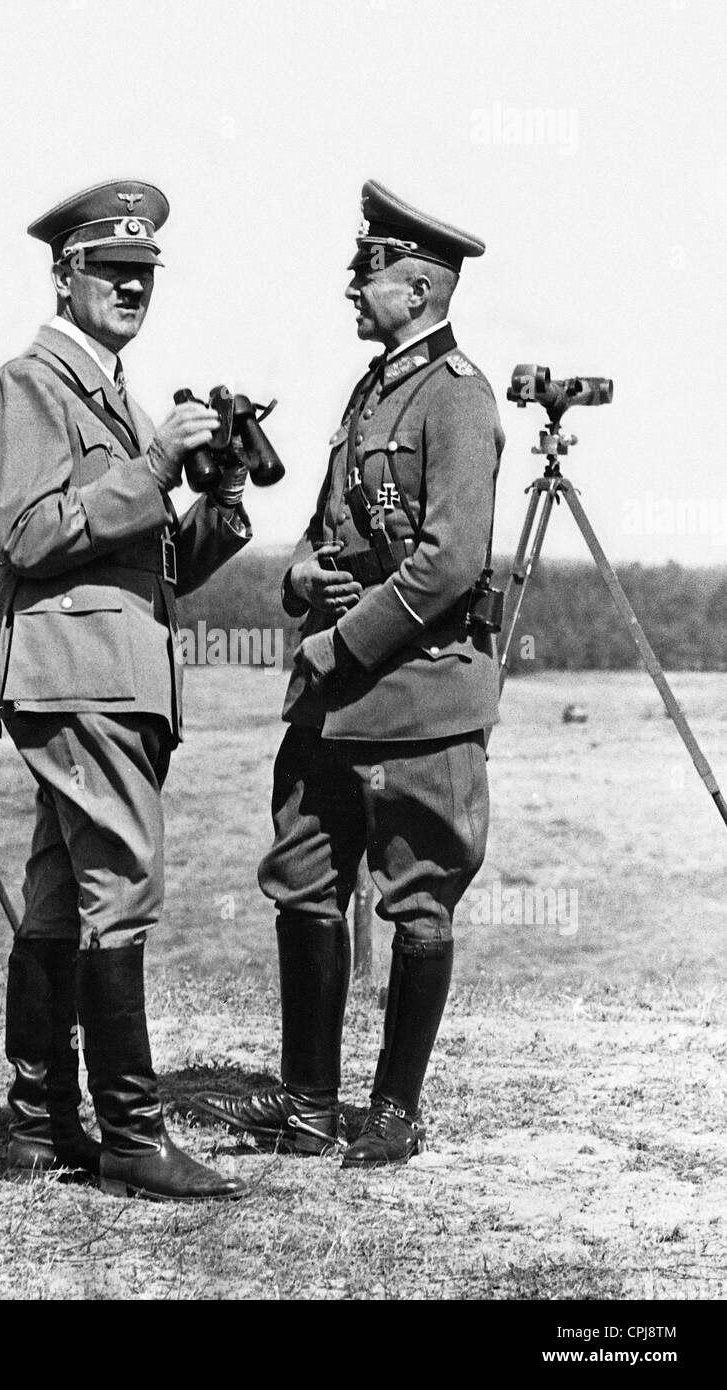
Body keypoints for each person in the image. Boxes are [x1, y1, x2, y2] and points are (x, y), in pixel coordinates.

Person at [190, 180, 504, 1168]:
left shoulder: (457, 398)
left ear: (416, 288)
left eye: (365, 273)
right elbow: (332, 525)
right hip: (331, 706)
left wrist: (336, 644)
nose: (351, 289)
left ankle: (394, 1110)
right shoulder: (369, 391)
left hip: (416, 695)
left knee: (417, 900)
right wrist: (294, 571)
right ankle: (310, 1103)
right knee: (301, 882)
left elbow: (449, 561)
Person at [0, 179, 251, 1202]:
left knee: (61, 890)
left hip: (114, 668)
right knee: (120, 884)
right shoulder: (27, 387)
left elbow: (151, 562)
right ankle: (129, 1133)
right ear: (64, 275)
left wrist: (214, 499)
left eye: (143, 275)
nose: (130, 287)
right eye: (110, 272)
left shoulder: (116, 396)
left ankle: (40, 1126)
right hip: (76, 670)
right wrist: (152, 464)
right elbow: (30, 534)